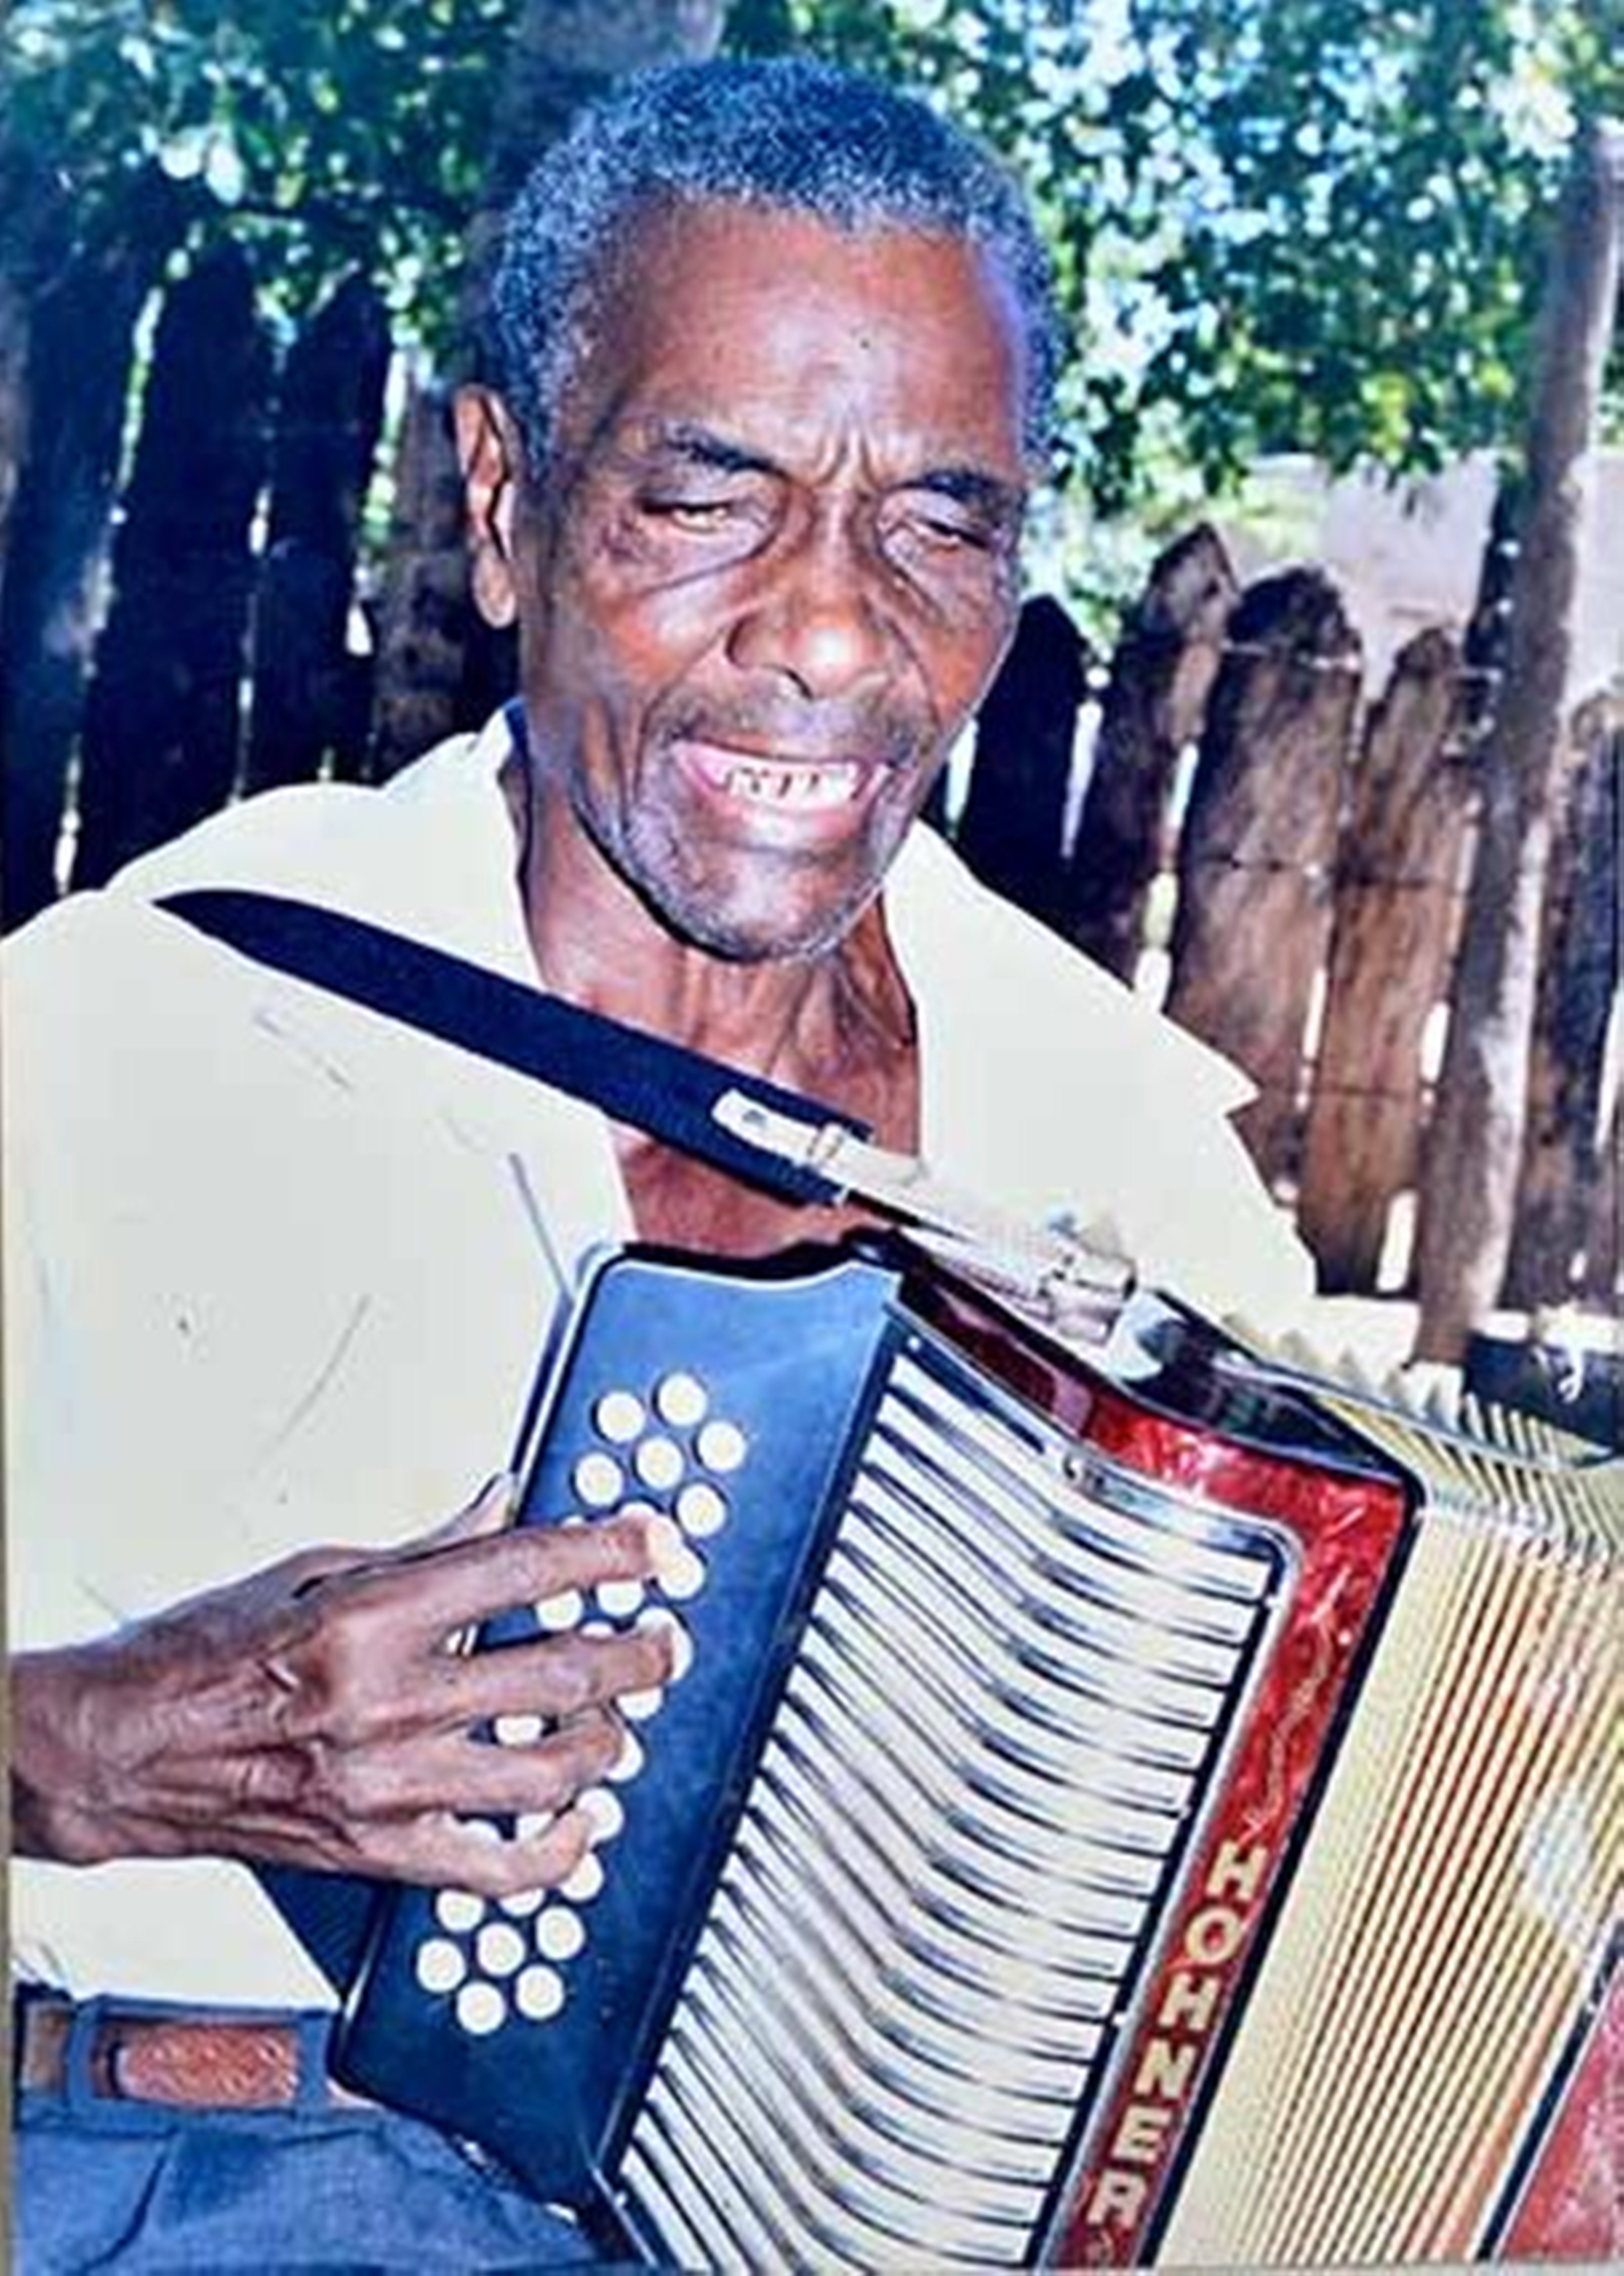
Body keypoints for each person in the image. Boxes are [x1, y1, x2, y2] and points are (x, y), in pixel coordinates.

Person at [6, 55, 1313, 2270]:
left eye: (937, 521)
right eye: (707, 497)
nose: (829, 630)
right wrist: (89, 1750)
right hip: (208, 2182)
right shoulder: (131, 1037)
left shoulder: (1124, 1148)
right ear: (507, 502)